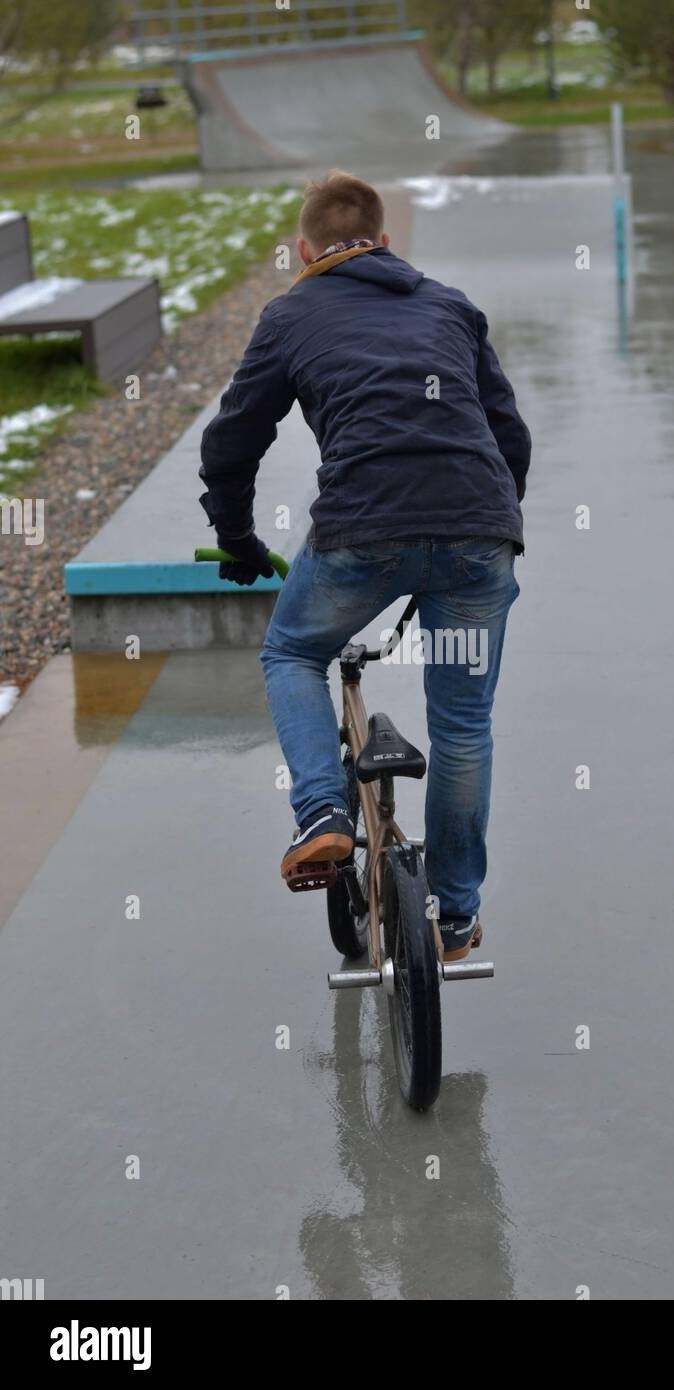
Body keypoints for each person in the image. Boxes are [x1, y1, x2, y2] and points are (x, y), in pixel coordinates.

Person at [199, 171, 530, 960]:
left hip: (362, 531)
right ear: (384, 243)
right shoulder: (448, 303)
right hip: (477, 530)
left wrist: (239, 541)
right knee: (462, 724)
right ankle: (456, 915)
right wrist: (484, 528)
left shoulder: (290, 313)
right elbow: (507, 432)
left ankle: (322, 813)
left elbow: (233, 442)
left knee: (291, 650)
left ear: (303, 250)